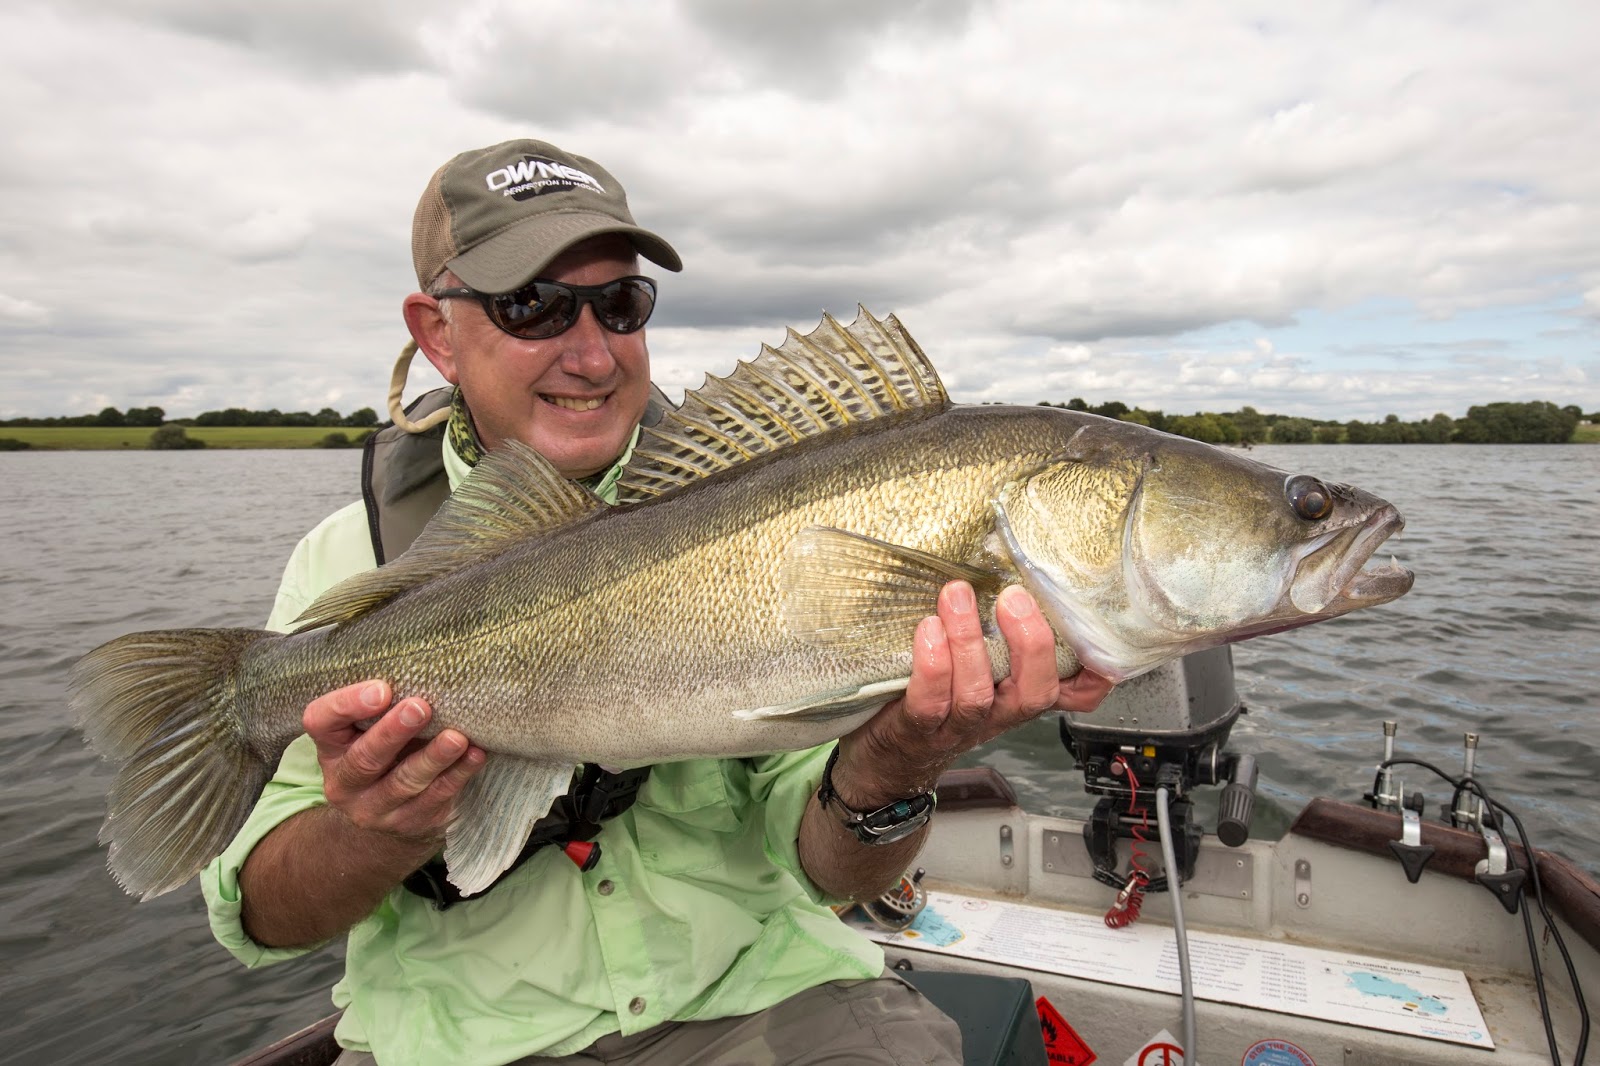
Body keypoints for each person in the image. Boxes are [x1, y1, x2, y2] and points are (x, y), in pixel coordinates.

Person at [201, 138, 1112, 1066]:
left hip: (761, 1002)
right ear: (437, 332)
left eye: (620, 303)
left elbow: (827, 869)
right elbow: (263, 916)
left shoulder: (756, 494)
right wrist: (372, 829)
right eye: (533, 307)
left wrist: (903, 757)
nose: (591, 354)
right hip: (461, 1041)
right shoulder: (346, 568)